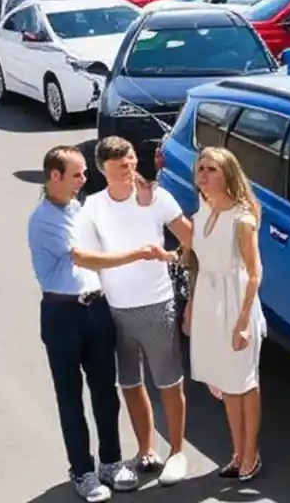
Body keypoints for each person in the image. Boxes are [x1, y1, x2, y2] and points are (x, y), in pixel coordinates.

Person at [27, 145, 169, 501]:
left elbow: (117, 206)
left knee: (106, 392)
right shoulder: (42, 219)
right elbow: (85, 258)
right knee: (70, 398)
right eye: (76, 174)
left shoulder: (79, 207)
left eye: (84, 173)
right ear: (54, 176)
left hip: (96, 310)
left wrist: (146, 182)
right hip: (62, 316)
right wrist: (137, 254)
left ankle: (110, 462)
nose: (84, 179)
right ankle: (83, 471)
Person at [78, 137, 195, 487]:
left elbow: (190, 240)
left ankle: (177, 450)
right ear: (104, 170)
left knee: (169, 381)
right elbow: (84, 255)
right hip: (114, 309)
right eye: (119, 166)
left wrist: (171, 257)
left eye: (130, 161)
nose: (128, 169)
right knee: (130, 382)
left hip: (157, 303)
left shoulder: (157, 197)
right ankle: (147, 450)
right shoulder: (93, 207)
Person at [186, 146, 266, 482]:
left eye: (212, 169)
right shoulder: (202, 211)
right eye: (201, 168)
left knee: (244, 383)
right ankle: (237, 451)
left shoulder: (242, 219)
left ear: (228, 174)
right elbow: (196, 261)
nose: (203, 174)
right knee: (225, 383)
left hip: (236, 304)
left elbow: (254, 272)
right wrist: (191, 303)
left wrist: (243, 321)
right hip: (209, 301)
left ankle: (251, 455)